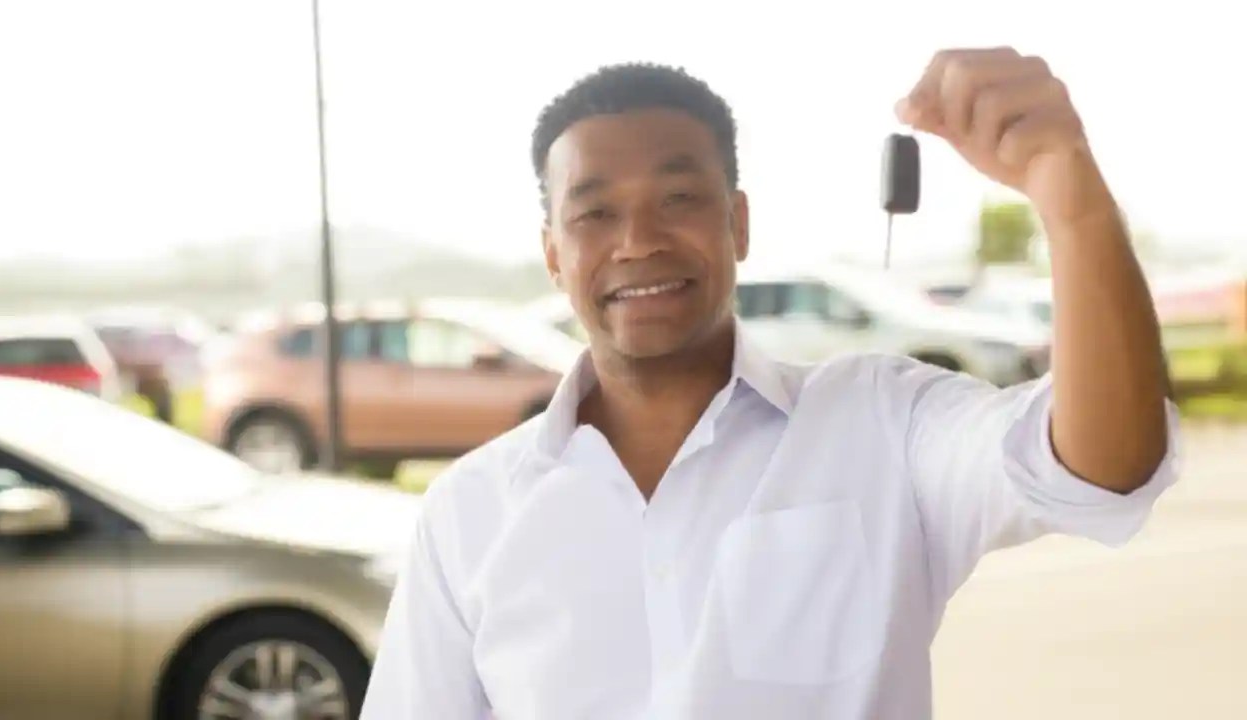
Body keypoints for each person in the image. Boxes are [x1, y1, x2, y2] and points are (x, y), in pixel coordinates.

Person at [359, 48, 1181, 719]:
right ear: (553, 254)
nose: (638, 241)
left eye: (679, 197)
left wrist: (1069, 196)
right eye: (595, 213)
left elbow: (1100, 465)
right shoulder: (470, 512)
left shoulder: (880, 423)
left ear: (738, 223)